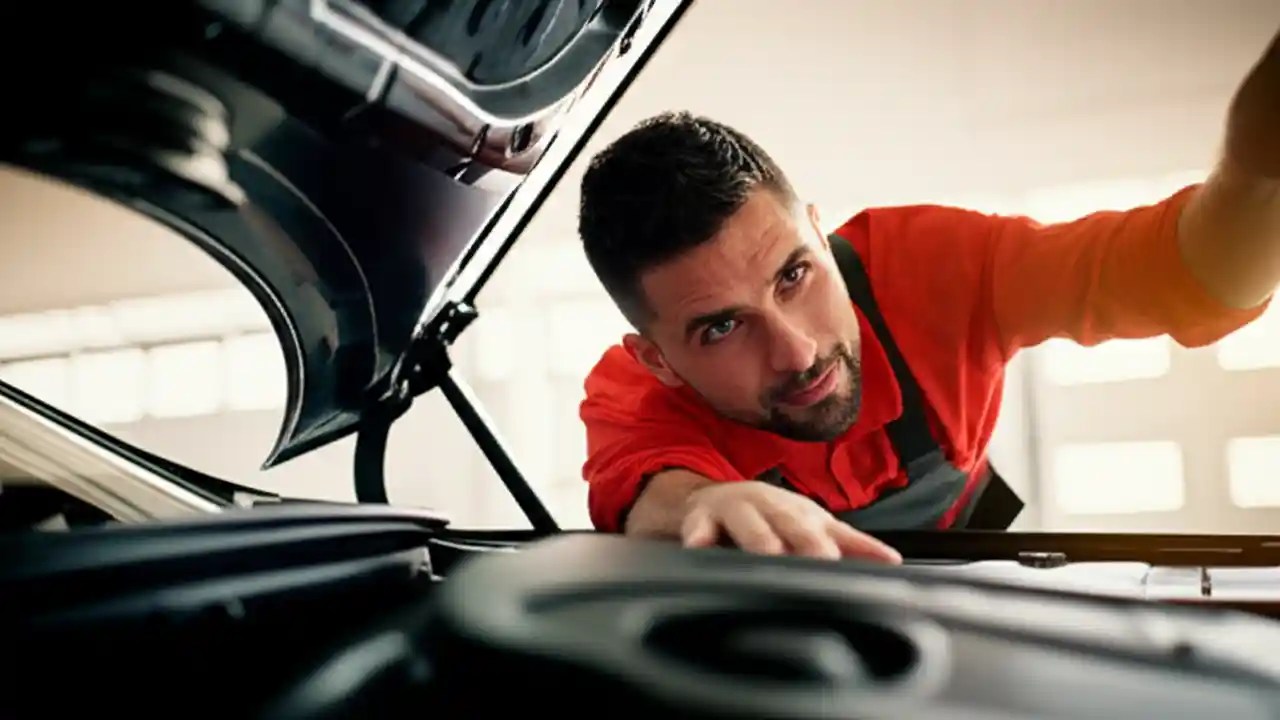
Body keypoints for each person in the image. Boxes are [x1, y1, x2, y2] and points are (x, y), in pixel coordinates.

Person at [574, 30, 1280, 564]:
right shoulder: (632, 393)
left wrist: (1253, 175)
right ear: (659, 360)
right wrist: (709, 504)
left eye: (794, 276)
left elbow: (1183, 275)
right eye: (723, 327)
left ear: (819, 232)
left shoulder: (931, 266)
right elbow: (654, 494)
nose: (796, 351)